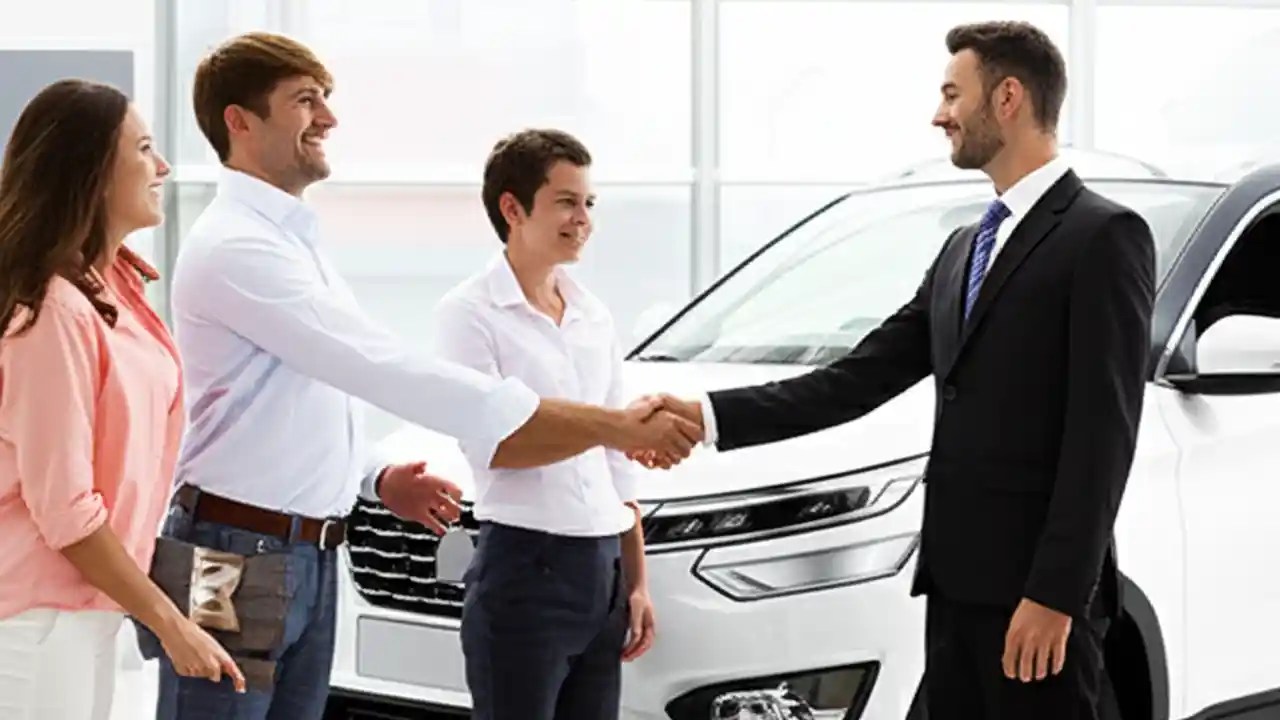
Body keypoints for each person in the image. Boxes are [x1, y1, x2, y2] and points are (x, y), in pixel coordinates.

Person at [155, 32, 698, 719]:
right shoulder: (235, 246)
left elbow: (311, 396)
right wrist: (614, 427)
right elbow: (379, 365)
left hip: (304, 553)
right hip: (230, 554)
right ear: (240, 120)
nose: (329, 118)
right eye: (305, 101)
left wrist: (375, 478)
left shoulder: (288, 241)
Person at [642, 21, 1153, 720]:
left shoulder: (1104, 235)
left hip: (1035, 599)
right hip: (953, 592)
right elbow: (855, 380)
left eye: (953, 94)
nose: (940, 115)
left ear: (1007, 98)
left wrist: (1056, 595)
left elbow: (1103, 436)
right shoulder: (963, 249)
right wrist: (703, 416)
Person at [0, 79, 245, 720]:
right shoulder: (54, 312)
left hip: (88, 611)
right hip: (35, 619)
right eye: (142, 149)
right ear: (91, 172)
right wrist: (170, 623)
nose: (162, 166)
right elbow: (65, 510)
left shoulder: (113, 287)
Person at [433, 129, 656, 720]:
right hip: (525, 571)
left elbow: (617, 466)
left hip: (602, 572)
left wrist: (637, 583)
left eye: (588, 204)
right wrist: (613, 427)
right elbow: (497, 445)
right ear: (513, 209)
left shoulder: (593, 314)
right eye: (566, 202)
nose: (583, 219)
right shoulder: (468, 314)